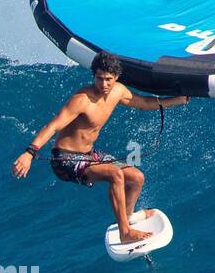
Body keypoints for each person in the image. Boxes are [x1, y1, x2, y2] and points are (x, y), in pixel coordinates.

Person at [12, 51, 188, 242]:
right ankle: (125, 232)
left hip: (89, 155)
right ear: (93, 76)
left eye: (108, 79)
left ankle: (127, 218)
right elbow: (53, 126)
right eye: (99, 78)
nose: (103, 84)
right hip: (65, 160)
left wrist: (178, 100)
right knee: (116, 174)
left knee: (137, 178)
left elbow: (144, 102)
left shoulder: (118, 92)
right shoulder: (82, 100)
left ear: (116, 78)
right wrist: (29, 153)